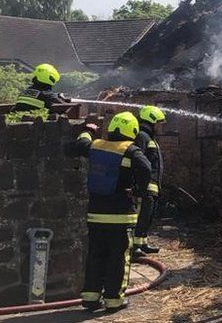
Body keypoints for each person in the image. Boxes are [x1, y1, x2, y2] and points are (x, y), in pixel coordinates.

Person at [65, 112, 151, 313]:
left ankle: (90, 297)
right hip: (121, 216)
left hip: (95, 214)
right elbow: (146, 169)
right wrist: (138, 191)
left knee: (95, 254)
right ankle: (114, 300)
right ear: (133, 131)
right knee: (118, 258)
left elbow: (77, 146)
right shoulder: (131, 150)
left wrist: (87, 131)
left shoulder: (96, 145)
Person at [132, 105, 165, 257]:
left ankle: (142, 243)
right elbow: (139, 161)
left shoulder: (149, 137)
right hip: (146, 186)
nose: (160, 126)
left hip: (153, 186)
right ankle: (134, 247)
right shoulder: (142, 137)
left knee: (148, 216)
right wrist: (140, 185)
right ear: (151, 120)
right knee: (141, 215)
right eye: (159, 122)